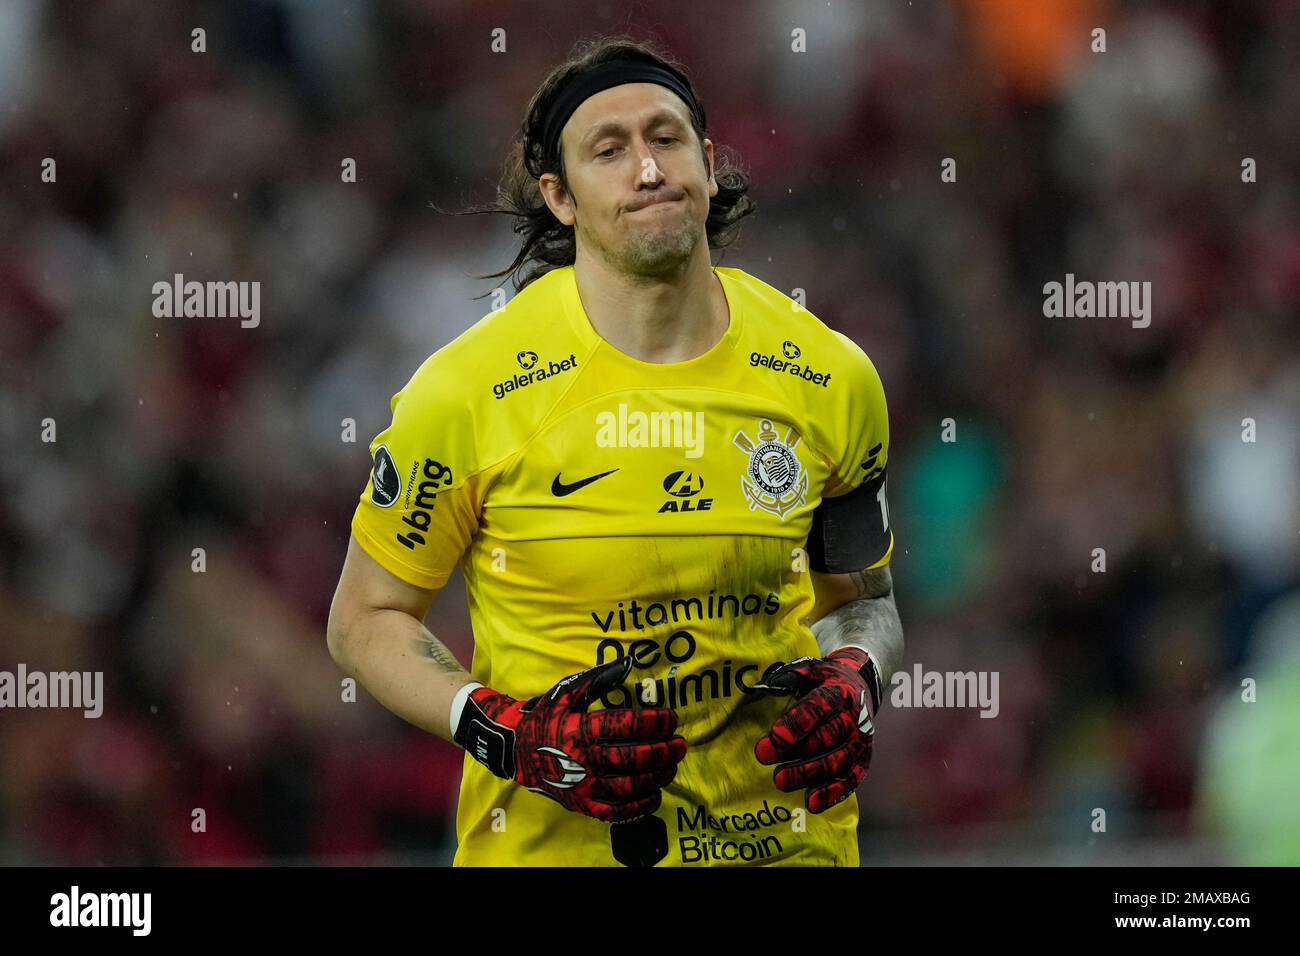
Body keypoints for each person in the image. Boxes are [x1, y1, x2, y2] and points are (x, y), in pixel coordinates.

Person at [327, 35, 904, 866]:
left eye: (666, 138)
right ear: (559, 198)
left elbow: (865, 600)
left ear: (707, 164)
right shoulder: (464, 394)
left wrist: (857, 677)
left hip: (781, 846)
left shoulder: (829, 375)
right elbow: (363, 619)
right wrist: (506, 733)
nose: (646, 169)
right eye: (609, 150)